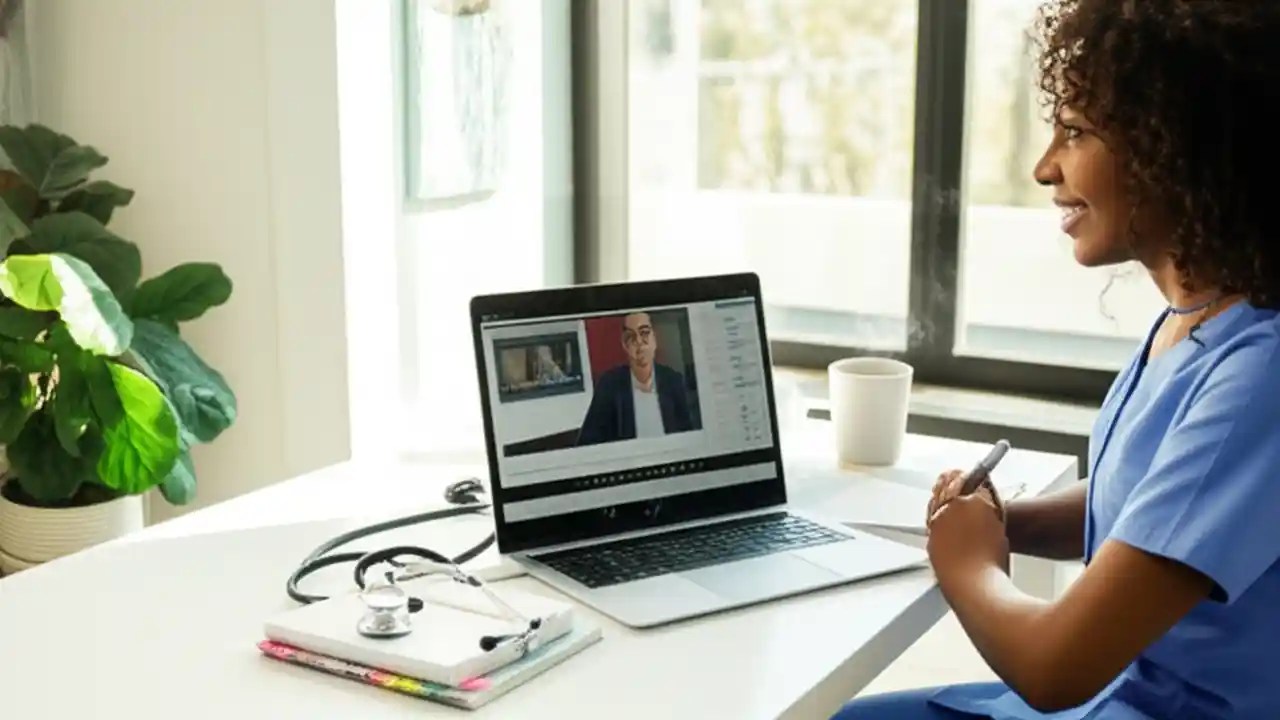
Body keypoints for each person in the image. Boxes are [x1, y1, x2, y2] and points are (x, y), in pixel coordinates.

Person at [834, 1, 1280, 718]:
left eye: (1074, 132)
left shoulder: (1260, 376)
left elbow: (1053, 668)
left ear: (1179, 148)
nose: (1045, 168)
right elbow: (1157, 506)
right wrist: (1010, 519)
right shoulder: (1195, 321)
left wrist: (970, 563)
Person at [576, 311, 696, 445]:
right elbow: (587, 442)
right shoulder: (609, 385)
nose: (638, 341)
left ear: (654, 339)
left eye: (644, 332)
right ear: (624, 345)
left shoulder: (674, 381)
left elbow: (691, 436)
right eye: (631, 336)